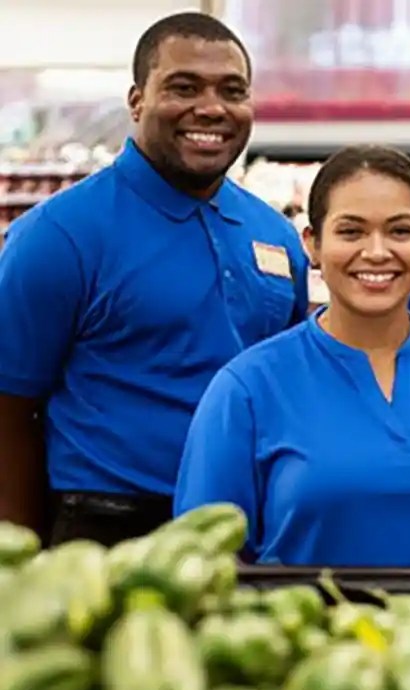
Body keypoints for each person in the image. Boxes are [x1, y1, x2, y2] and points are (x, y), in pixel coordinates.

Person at [0, 13, 309, 544]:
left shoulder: (276, 237)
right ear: (137, 100)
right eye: (183, 87)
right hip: (108, 529)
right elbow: (7, 409)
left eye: (232, 90)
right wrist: (24, 556)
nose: (211, 107)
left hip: (249, 527)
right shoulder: (57, 237)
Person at [174, 145, 410, 567]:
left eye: (400, 231)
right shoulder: (247, 387)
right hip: (308, 632)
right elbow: (205, 559)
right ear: (312, 245)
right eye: (351, 231)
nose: (376, 252)